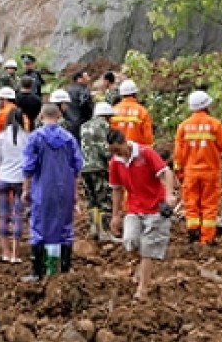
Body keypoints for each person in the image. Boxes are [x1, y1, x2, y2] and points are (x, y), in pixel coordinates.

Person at [109, 129, 178, 301]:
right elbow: (117, 190)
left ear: (125, 143)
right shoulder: (115, 163)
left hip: (156, 208)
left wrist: (169, 194)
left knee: (148, 248)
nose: (117, 155)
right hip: (134, 208)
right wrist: (115, 215)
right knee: (130, 242)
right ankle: (141, 269)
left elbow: (166, 172)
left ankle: (142, 290)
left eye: (118, 150)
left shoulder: (146, 153)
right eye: (113, 152)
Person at [22, 104, 83, 280]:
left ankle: (37, 272)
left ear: (41, 116)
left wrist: (26, 189)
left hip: (43, 189)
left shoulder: (35, 138)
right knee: (65, 227)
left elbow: (28, 167)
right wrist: (75, 195)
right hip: (65, 189)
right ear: (59, 117)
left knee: (39, 227)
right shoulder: (69, 138)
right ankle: (64, 271)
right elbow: (76, 167)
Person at [173, 91, 222, 245]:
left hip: (190, 173)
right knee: (209, 205)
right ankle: (207, 238)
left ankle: (193, 232)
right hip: (210, 172)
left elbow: (178, 153)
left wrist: (178, 170)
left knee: (191, 203)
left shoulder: (183, 126)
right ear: (206, 105)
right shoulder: (215, 124)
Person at [0, 106, 28, 262]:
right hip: (21, 180)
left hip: (3, 178)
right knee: (18, 216)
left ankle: (5, 253)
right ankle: (16, 254)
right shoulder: (28, 138)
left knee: (3, 216)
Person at [81, 102, 116, 241]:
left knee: (91, 199)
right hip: (99, 168)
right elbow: (105, 150)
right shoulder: (104, 126)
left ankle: (94, 228)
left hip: (84, 167)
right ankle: (105, 233)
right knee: (104, 200)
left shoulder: (84, 126)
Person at [111, 79, 153, 145]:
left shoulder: (113, 110)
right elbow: (148, 138)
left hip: (118, 151)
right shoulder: (142, 111)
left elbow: (110, 134)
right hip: (137, 151)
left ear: (121, 94)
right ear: (135, 94)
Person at [66, 70, 95, 141]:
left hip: (70, 124)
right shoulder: (83, 90)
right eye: (86, 77)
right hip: (82, 123)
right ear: (79, 79)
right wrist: (89, 116)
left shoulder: (68, 90)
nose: (89, 79)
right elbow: (84, 103)